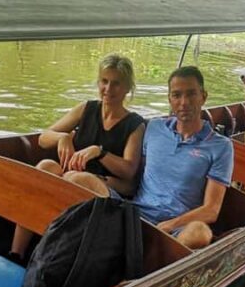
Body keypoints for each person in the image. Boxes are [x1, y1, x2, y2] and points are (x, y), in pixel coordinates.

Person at [10, 54, 145, 258]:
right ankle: (16, 252)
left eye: (116, 83)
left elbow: (128, 171)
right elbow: (43, 138)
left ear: (127, 88)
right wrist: (63, 138)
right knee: (46, 165)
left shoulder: (134, 124)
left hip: (101, 187)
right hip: (70, 177)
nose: (108, 89)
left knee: (76, 178)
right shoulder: (86, 109)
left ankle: (48, 255)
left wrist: (99, 152)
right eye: (104, 81)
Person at [131, 66, 234, 249]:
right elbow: (138, 175)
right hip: (137, 213)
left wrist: (170, 225)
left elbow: (211, 210)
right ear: (169, 99)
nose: (184, 102)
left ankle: (158, 271)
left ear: (204, 96)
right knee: (81, 180)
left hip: (179, 227)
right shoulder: (154, 128)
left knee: (200, 232)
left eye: (191, 94)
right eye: (177, 95)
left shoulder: (221, 146)